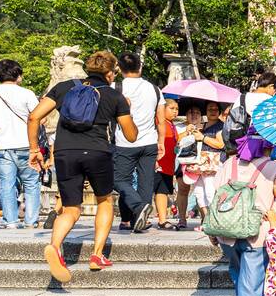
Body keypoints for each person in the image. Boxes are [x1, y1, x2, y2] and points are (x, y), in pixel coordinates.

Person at [28, 50, 136, 283]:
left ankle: (55, 246)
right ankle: (97, 255)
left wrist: (35, 150)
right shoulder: (113, 95)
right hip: (98, 152)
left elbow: (34, 117)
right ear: (110, 72)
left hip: (66, 152)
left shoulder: (65, 87)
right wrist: (127, 109)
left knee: (70, 209)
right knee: (104, 200)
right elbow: (131, 135)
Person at [208, 137, 276, 296]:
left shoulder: (230, 163)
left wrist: (212, 228)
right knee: (252, 285)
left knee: (239, 276)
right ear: (268, 146)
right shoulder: (272, 167)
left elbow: (215, 194)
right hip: (257, 235)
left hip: (226, 231)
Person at [0, 59, 42, 229]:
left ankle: (11, 221)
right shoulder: (27, 94)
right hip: (26, 144)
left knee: (7, 184)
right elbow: (39, 117)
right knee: (31, 183)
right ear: (18, 75)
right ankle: (31, 221)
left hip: (2, 145)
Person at [112, 52, 165, 234]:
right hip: (149, 141)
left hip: (124, 141)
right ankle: (140, 218)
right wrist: (161, 142)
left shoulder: (115, 87)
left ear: (119, 68)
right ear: (140, 67)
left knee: (120, 180)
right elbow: (161, 120)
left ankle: (134, 212)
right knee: (146, 181)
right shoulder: (155, 89)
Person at [153, 98, 179, 229]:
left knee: (162, 191)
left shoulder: (172, 125)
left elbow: (177, 140)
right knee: (151, 190)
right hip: (158, 162)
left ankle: (162, 220)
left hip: (168, 164)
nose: (175, 112)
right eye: (172, 108)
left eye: (177, 109)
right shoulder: (158, 122)